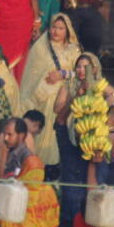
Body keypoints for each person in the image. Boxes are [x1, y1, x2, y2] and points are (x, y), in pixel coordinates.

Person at [17, 13, 82, 166]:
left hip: (62, 101)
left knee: (55, 137)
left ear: (67, 31)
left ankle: (53, 169)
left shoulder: (74, 51)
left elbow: (81, 75)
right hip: (40, 99)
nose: (56, 32)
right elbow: (30, 75)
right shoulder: (40, 47)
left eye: (60, 28)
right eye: (54, 27)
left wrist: (63, 74)